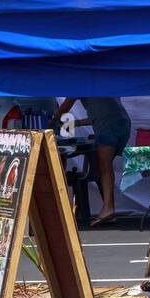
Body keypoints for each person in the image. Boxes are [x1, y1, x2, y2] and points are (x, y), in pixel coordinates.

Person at [54, 97, 131, 226]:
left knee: (104, 168)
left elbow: (64, 109)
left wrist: (53, 121)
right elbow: (100, 114)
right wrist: (76, 123)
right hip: (124, 123)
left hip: (107, 126)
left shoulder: (81, 83)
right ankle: (109, 209)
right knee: (105, 167)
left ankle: (108, 208)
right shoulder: (102, 83)